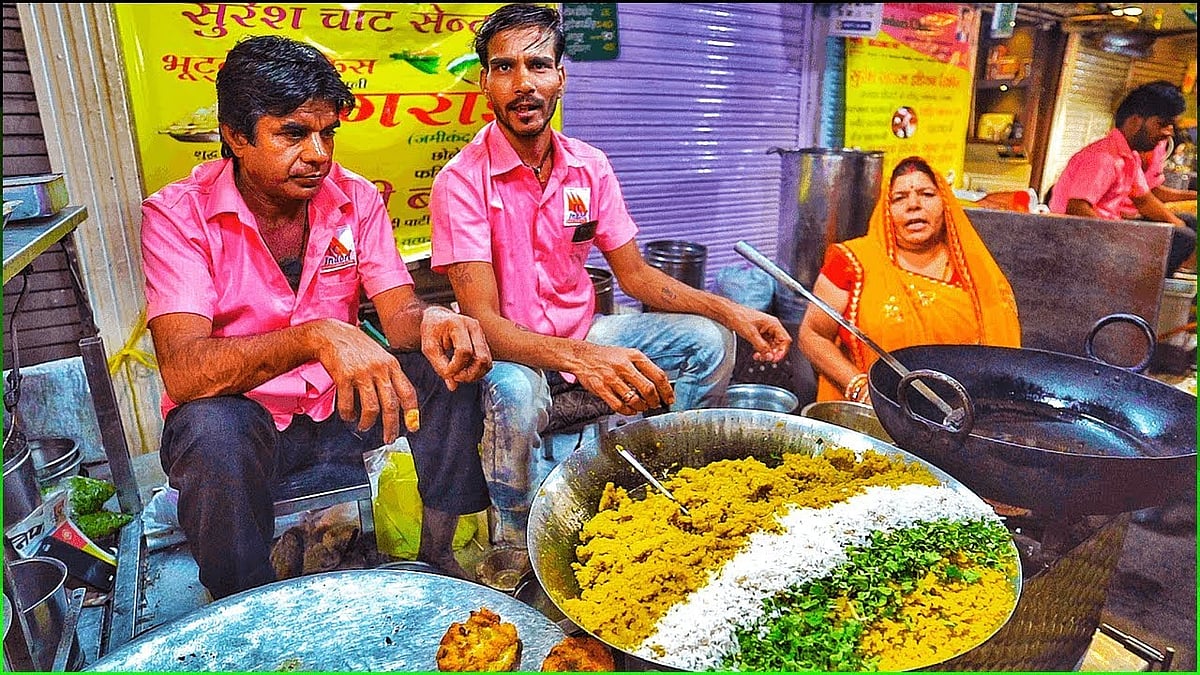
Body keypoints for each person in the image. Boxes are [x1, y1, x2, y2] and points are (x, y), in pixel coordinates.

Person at [140, 35, 493, 598]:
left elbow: (398, 310)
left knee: (446, 372)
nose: (319, 153)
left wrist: (433, 322)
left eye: (328, 132)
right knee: (211, 430)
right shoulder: (178, 216)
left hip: (341, 409)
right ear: (235, 136)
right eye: (293, 133)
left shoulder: (354, 197)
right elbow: (184, 371)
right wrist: (317, 337)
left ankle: (442, 557)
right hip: (251, 428)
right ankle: (241, 606)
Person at [429, 3, 792, 548]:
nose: (523, 83)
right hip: (509, 352)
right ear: (484, 82)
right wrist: (584, 360)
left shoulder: (589, 167)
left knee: (710, 343)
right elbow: (484, 323)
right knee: (517, 394)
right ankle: (516, 539)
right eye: (504, 68)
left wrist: (734, 312)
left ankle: (664, 484)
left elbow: (637, 276)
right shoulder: (461, 183)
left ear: (561, 77)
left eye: (538, 65)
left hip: (584, 332)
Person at [798, 156, 1022, 404]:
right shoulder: (852, 262)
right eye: (899, 198)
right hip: (871, 418)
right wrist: (859, 386)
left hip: (955, 420)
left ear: (945, 203)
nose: (913, 205)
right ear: (886, 209)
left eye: (926, 194)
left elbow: (1001, 357)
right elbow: (813, 334)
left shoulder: (976, 274)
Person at [1049, 80, 1197, 275]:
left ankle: (1153, 283)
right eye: (1161, 124)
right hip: (1079, 239)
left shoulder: (1130, 156)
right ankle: (1140, 287)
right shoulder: (1103, 157)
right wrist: (1119, 242)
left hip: (1110, 230)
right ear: (1135, 121)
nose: (1168, 132)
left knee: (1188, 223)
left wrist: (1176, 222)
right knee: (1182, 236)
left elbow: (1144, 200)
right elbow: (1077, 208)